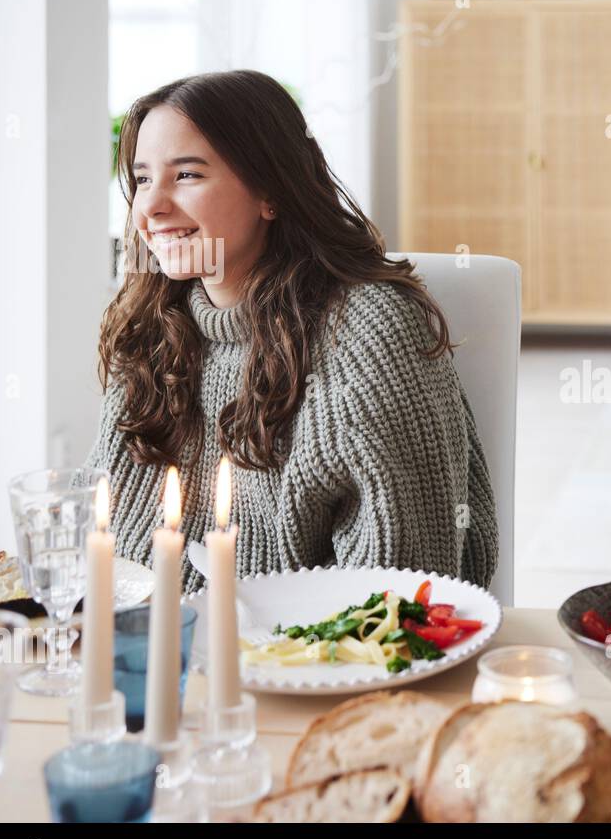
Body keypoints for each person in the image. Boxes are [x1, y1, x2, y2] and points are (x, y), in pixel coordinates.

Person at [86, 69, 498, 596]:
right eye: (143, 179)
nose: (151, 207)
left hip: (311, 663)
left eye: (187, 175)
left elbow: (400, 590)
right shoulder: (151, 324)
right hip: (152, 649)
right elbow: (99, 536)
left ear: (270, 193)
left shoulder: (367, 332)